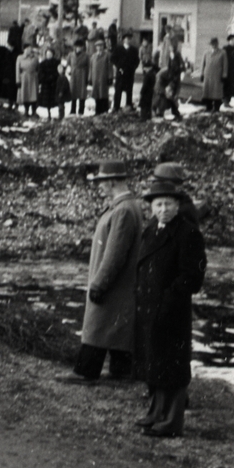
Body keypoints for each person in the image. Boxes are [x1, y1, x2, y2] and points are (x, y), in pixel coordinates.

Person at [134, 181, 207, 438]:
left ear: (177, 205)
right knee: (154, 361)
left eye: (168, 204)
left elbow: (192, 277)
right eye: (158, 204)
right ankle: (155, 412)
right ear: (151, 207)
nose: (163, 209)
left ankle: (172, 421)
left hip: (172, 312)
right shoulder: (151, 229)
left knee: (172, 366)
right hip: (150, 309)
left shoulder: (188, 234)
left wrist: (168, 300)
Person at [64, 161, 145, 383]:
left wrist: (99, 283)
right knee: (115, 328)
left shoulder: (124, 210)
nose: (99, 186)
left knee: (98, 325)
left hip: (113, 285)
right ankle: (121, 371)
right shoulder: (126, 207)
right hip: (120, 286)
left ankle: (86, 372)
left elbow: (115, 255)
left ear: (111, 182)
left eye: (101, 182)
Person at [200, 37, 228, 112]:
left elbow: (225, 65)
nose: (213, 45)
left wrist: (224, 75)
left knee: (217, 93)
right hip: (208, 75)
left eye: (215, 44)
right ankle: (208, 107)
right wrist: (202, 74)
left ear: (217, 44)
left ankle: (216, 108)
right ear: (210, 45)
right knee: (207, 92)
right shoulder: (206, 52)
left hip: (217, 76)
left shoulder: (222, 52)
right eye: (212, 44)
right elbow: (203, 64)